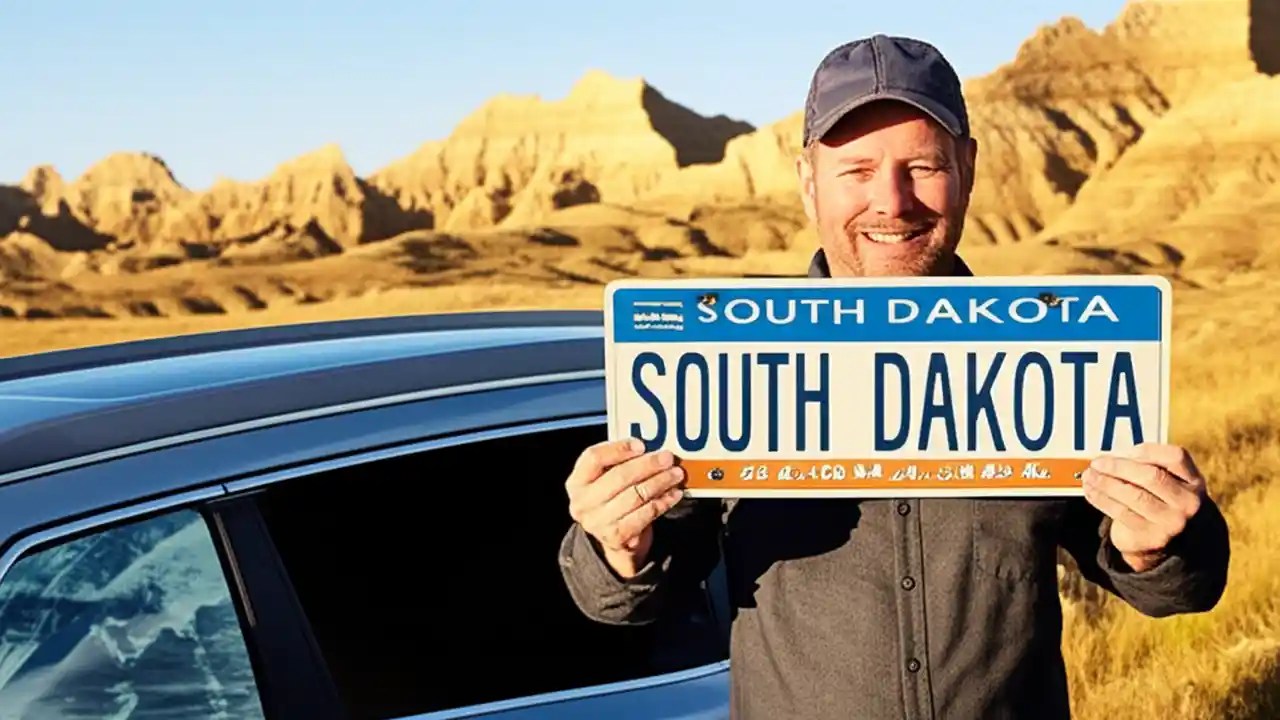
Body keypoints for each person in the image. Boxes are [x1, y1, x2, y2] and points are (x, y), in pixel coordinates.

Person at [557, 34, 1230, 720]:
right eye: (857, 171)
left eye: (922, 165)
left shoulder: (1051, 355)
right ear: (808, 179)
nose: (893, 201)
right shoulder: (731, 360)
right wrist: (617, 546)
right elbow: (628, 602)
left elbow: (1173, 587)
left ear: (966, 168)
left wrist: (1160, 546)